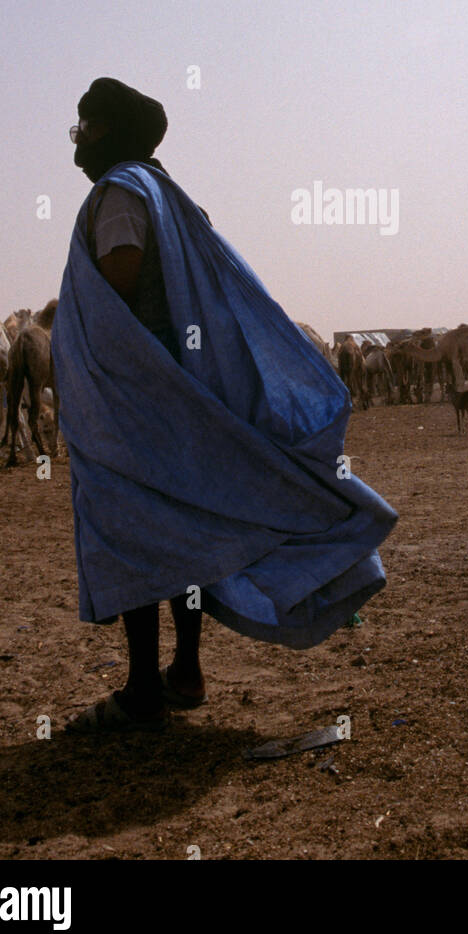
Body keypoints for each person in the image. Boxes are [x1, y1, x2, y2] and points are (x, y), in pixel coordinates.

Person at [53, 77, 396, 732]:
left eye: (84, 127)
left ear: (106, 131)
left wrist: (95, 362)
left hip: (141, 401)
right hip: (178, 395)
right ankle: (184, 671)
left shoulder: (121, 194)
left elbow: (118, 285)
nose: (78, 141)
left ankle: (145, 690)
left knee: (139, 536)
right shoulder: (166, 193)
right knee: (189, 531)